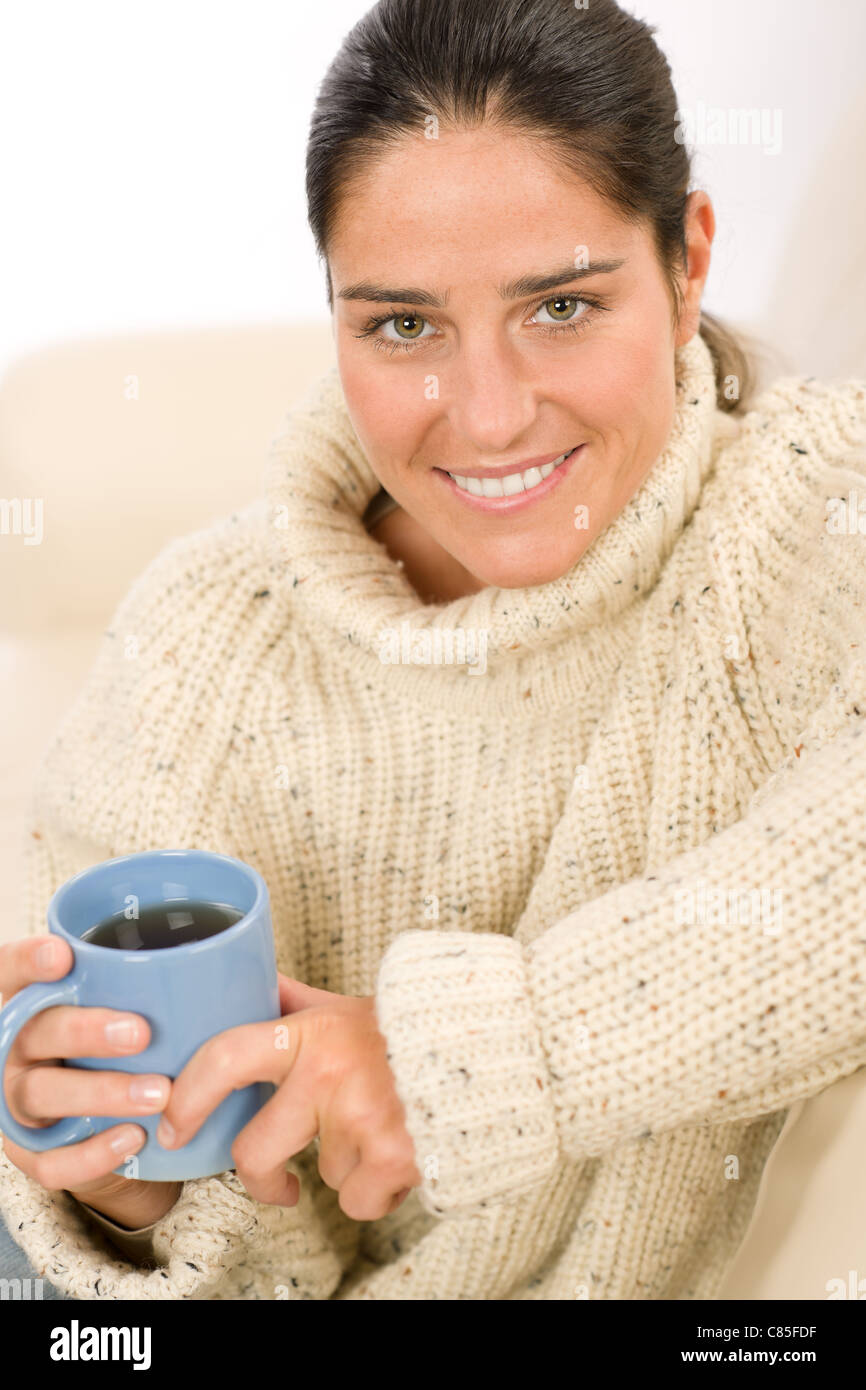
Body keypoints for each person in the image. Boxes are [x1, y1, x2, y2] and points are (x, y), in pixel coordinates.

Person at [1, 0, 865, 1301]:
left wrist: (470, 1056)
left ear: (687, 264)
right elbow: (211, 1254)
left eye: (562, 305)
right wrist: (135, 1190)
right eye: (403, 325)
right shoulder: (203, 646)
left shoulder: (810, 506)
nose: (491, 412)